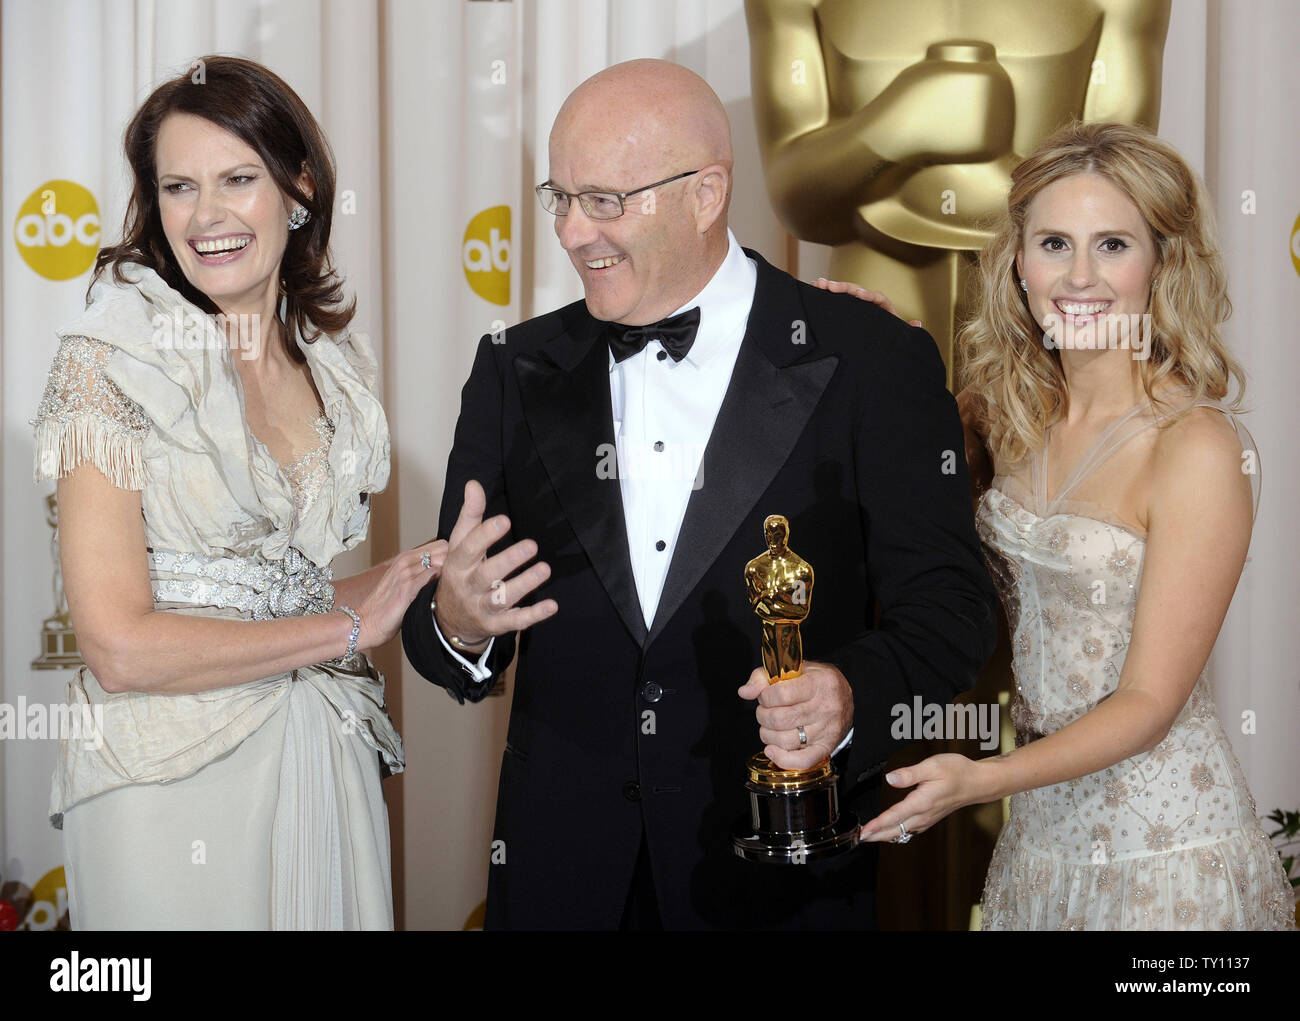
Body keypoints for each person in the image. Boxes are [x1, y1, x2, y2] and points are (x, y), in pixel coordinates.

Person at [400, 59, 997, 930]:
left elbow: (952, 608)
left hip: (779, 883)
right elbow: (434, 627)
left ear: (707, 192)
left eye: (605, 200)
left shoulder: (867, 356)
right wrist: (456, 621)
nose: (572, 232)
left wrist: (851, 692)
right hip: (563, 882)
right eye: (559, 197)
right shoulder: (515, 371)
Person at [852, 121, 1297, 930]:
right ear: (1017, 263)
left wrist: (979, 780)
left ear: (1162, 262)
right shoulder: (1002, 410)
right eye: (1055, 243)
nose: (1080, 276)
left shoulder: (1196, 444)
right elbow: (910, 512)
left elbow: (1149, 701)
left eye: (1114, 245)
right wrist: (873, 350)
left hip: (1164, 860)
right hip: (1040, 842)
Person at [32, 56, 442, 929]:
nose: (207, 215)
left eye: (237, 179)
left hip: (317, 758)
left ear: (299, 188)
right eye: (179, 186)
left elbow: (274, 600)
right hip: (165, 780)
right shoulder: (113, 360)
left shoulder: (333, 368)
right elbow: (118, 646)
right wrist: (342, 628)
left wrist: (424, 573)